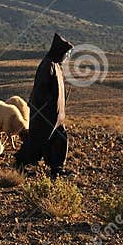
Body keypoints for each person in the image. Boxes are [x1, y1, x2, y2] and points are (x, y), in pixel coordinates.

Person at [14, 32, 71, 178]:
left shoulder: (56, 65)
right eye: (65, 53)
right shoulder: (47, 65)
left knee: (60, 138)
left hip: (56, 116)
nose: (66, 56)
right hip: (44, 114)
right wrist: (46, 104)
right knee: (38, 139)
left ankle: (57, 168)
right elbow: (40, 89)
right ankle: (20, 164)